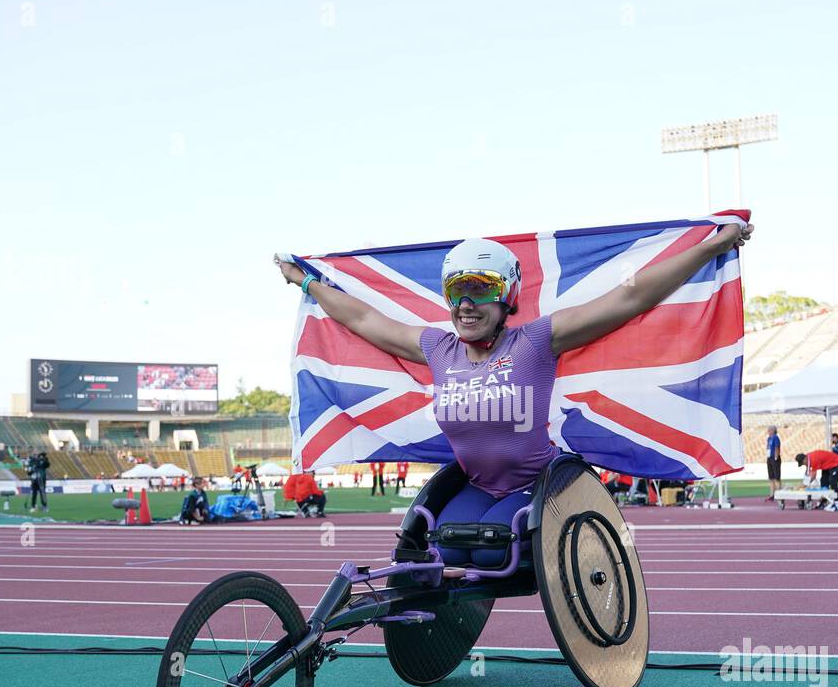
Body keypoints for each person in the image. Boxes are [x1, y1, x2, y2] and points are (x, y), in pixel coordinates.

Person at [275, 221, 753, 565]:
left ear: (506, 297)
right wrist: (309, 282)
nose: (465, 304)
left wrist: (713, 247)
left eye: (479, 290)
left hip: (537, 484)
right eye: (455, 291)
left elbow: (630, 297)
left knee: (487, 548)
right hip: (476, 484)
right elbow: (363, 319)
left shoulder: (534, 342)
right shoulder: (438, 348)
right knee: (444, 547)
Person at [765, 426, 782, 500]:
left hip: (774, 458)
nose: (768, 431)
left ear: (773, 430)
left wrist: (776, 457)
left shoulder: (776, 437)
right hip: (769, 457)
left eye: (769, 430)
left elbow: (777, 447)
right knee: (771, 477)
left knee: (776, 477)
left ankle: (779, 494)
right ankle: (772, 494)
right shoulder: (769, 438)